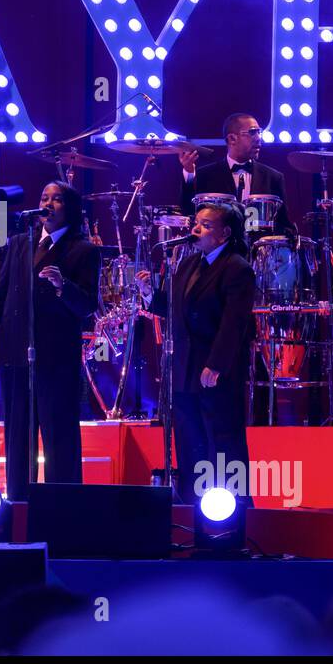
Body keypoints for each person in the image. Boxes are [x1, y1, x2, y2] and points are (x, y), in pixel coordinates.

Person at [0, 182, 101, 501]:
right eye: (44, 198)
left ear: (69, 209)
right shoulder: (19, 244)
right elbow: (0, 293)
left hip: (55, 359)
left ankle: (63, 510)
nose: (48, 204)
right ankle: (19, 504)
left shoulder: (83, 249)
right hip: (15, 354)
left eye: (56, 199)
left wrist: (61, 285)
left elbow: (87, 305)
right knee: (18, 438)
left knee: (59, 438)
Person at [137, 201, 255, 502]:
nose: (196, 229)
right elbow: (177, 309)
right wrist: (151, 294)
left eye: (205, 224)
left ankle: (236, 513)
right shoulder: (189, 264)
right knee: (190, 443)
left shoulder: (236, 267)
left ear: (224, 233)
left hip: (214, 371)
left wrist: (216, 365)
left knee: (223, 441)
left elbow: (234, 324)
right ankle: (194, 509)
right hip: (184, 369)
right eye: (196, 222)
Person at [178, 113, 295, 238]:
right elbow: (188, 213)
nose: (258, 138)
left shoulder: (273, 177)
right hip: (219, 254)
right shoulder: (205, 174)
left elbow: (284, 224)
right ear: (232, 139)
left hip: (258, 254)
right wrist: (189, 173)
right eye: (252, 132)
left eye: (259, 132)